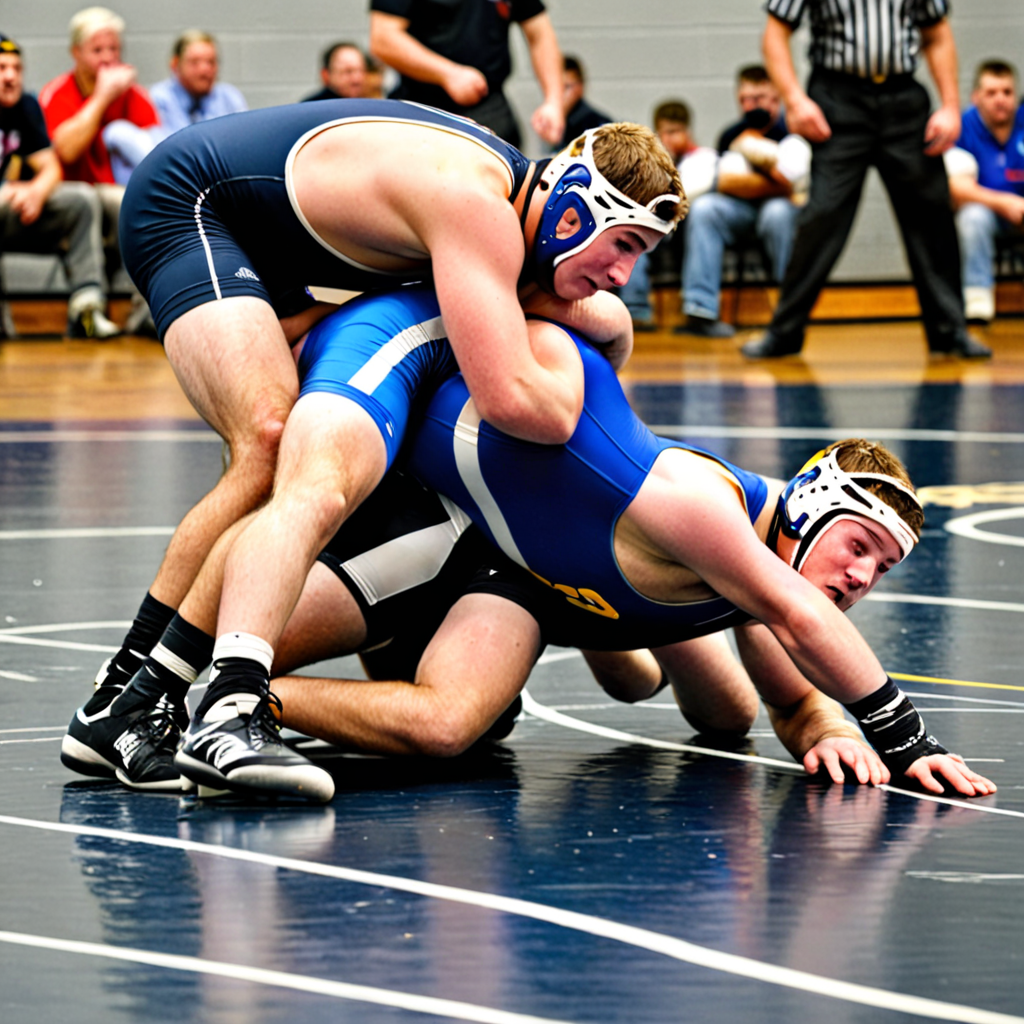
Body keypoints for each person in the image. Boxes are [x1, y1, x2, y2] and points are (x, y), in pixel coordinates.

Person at [62, 290, 995, 802]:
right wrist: (900, 735)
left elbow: (745, 718)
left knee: (458, 724)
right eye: (860, 544)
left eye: (884, 567)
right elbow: (790, 617)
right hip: (451, 514)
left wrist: (827, 725)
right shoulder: (713, 511)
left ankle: (220, 712)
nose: (864, 575)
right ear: (808, 506)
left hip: (514, 580)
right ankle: (160, 689)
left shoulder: (759, 585)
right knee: (272, 561)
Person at [60, 113, 684, 799]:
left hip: (291, 247)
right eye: (622, 245)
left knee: (302, 448)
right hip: (193, 203)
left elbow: (585, 317)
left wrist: (599, 323)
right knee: (270, 441)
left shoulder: (499, 209)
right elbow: (512, 398)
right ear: (570, 212)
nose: (624, 274)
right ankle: (131, 699)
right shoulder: (478, 207)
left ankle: (126, 705)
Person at [742, 0, 991, 360]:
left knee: (931, 213)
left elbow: (936, 34)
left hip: (902, 97)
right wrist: (795, 100)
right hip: (837, 98)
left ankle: (950, 332)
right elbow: (775, 33)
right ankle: (784, 332)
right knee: (822, 216)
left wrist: (950, 106)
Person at [38, 6, 158, 335]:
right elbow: (66, 149)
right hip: (68, 195)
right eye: (97, 50)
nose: (108, 59)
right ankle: (87, 312)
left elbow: (157, 159)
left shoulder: (136, 96)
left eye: (114, 49)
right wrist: (103, 97)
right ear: (76, 53)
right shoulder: (58, 92)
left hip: (115, 194)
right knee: (89, 200)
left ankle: (149, 311)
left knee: (142, 204)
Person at [0, 33, 118, 339]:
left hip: (13, 210)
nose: (11, 77)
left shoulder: (24, 107)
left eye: (16, 68)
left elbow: (52, 166)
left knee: (80, 199)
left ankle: (86, 309)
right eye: (1, 68)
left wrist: (36, 191)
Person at [676, 65, 808, 339]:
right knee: (704, 209)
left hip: (782, 210)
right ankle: (700, 310)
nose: (751, 106)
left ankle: (790, 310)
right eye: (744, 99)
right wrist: (767, 185)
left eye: (758, 98)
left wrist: (754, 176)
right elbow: (724, 183)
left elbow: (791, 185)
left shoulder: (792, 132)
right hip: (740, 212)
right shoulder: (731, 134)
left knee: (777, 212)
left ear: (775, 98)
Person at [369, 0, 564, 148]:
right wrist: (447, 74)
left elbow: (540, 33)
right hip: (423, 107)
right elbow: (383, 38)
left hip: (488, 106)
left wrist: (554, 101)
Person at [620, 99, 719, 329]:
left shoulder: (705, 157)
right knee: (633, 225)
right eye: (664, 133)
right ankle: (635, 311)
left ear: (687, 131)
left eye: (675, 132)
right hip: (659, 230)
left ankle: (699, 311)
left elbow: (682, 197)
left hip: (690, 231)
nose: (669, 139)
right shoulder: (647, 163)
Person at [944, 60, 1024, 326]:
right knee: (973, 216)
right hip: (987, 212)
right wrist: (1004, 203)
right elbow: (957, 188)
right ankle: (977, 299)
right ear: (975, 97)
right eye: (991, 93)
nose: (1000, 100)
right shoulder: (963, 128)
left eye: (1007, 92)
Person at [149, 30, 247, 133]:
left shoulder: (230, 98)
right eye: (195, 62)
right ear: (175, 64)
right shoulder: (158, 100)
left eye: (211, 62)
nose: (204, 70)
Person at [558, 55, 611, 150]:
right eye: (556, 87)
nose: (560, 93)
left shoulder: (597, 125)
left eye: (566, 87)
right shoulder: (557, 123)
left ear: (580, 86)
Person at [301, 41, 367, 102]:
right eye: (348, 71)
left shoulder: (369, 106)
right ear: (326, 75)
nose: (356, 79)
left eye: (361, 71)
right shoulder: (312, 107)